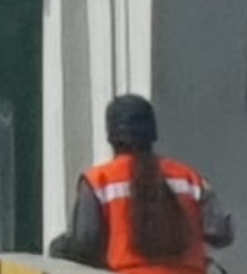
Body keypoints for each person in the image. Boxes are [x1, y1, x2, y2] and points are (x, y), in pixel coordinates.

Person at [49, 94, 234, 272]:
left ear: (111, 136)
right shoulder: (190, 178)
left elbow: (84, 244)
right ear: (153, 133)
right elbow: (221, 232)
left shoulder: (99, 180)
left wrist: (60, 247)